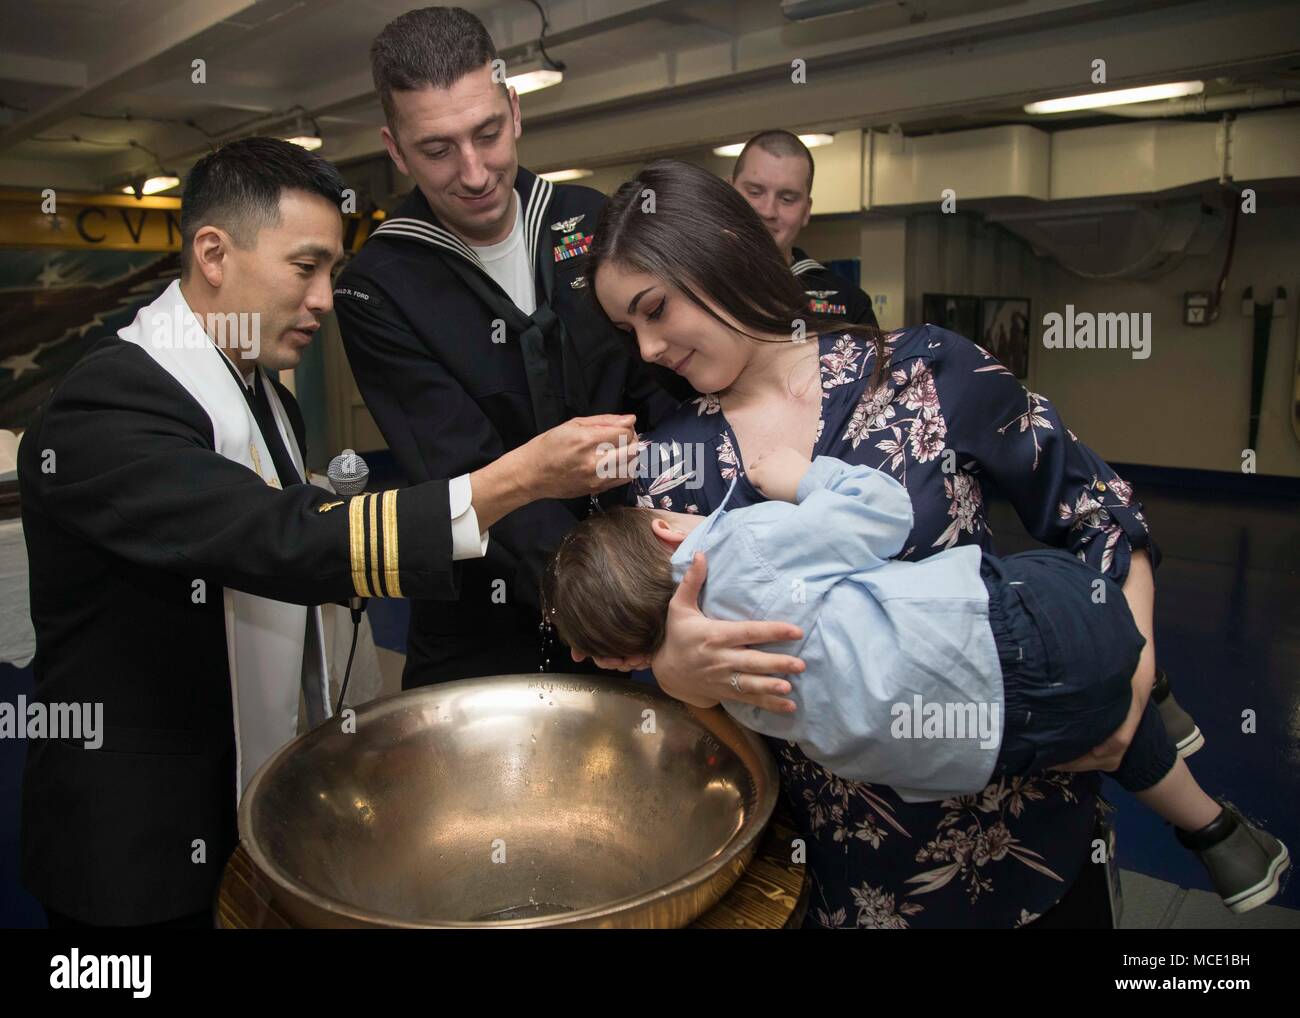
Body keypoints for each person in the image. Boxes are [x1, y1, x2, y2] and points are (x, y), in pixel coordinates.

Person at [17, 136, 635, 928]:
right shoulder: (109, 406)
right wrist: (518, 480)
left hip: (253, 800)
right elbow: (280, 540)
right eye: (304, 268)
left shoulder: (262, 394)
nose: (323, 299)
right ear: (213, 252)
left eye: (332, 274)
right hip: (143, 851)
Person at [579, 157, 1164, 928]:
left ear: (718, 247)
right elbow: (690, 710)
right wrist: (677, 678)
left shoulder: (926, 373)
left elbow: (1100, 513)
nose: (649, 349)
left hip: (1028, 831)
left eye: (656, 310)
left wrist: (1137, 682)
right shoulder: (669, 477)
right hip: (860, 878)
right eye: (629, 330)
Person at [544, 450, 1289, 915]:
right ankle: (1161, 703)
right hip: (1020, 640)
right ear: (666, 530)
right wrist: (807, 477)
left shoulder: (723, 690)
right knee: (1048, 575)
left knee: (1095, 712)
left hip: (990, 747)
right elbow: (882, 511)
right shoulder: (738, 544)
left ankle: (1224, 840)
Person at [334, 6, 686, 687]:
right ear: (395, 149)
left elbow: (663, 394)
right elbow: (457, 466)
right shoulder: (379, 285)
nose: (474, 172)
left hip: (641, 582)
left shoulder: (593, 220)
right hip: (484, 616)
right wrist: (587, 597)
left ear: (515, 111)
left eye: (488, 134)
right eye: (436, 150)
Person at [731, 130, 879, 328]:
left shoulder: (849, 305)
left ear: (806, 211)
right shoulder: (693, 284)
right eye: (755, 192)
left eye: (787, 199)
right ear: (728, 194)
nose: (768, 211)